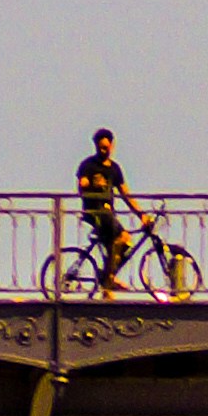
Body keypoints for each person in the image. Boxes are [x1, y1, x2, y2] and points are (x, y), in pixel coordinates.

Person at [78, 126, 138, 295]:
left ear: (112, 145)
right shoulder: (88, 165)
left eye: (106, 147)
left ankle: (107, 282)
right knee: (123, 237)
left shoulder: (114, 169)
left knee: (119, 249)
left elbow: (125, 194)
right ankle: (109, 279)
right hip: (95, 211)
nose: (104, 151)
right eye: (100, 148)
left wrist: (141, 215)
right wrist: (86, 185)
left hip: (107, 213)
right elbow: (81, 187)